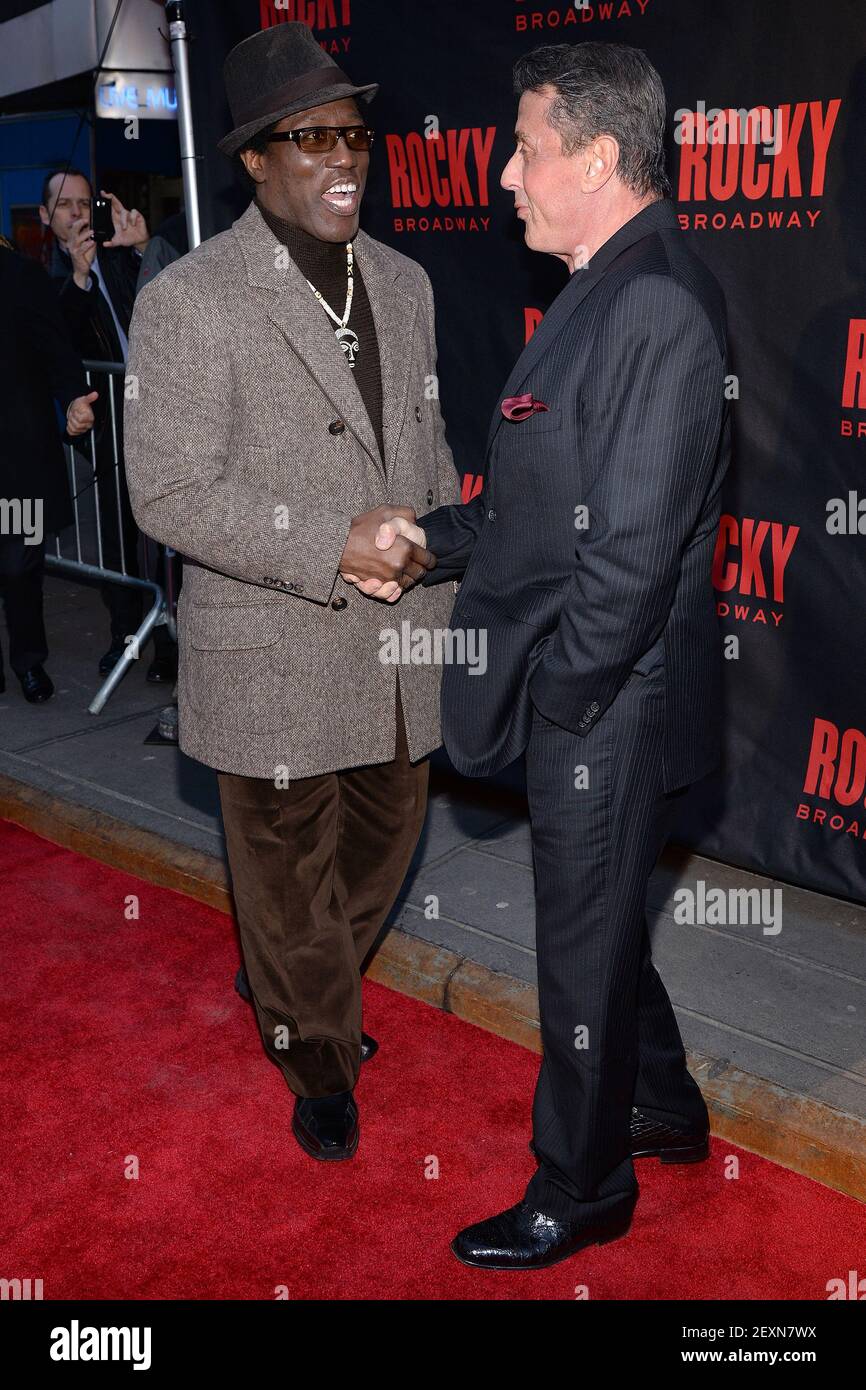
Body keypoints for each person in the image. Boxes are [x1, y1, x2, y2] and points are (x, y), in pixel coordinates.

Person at [373, 41, 731, 1270]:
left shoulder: (652, 307)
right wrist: (424, 540)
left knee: (576, 948)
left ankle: (578, 1187)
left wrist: (560, 704)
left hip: (608, 701)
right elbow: (537, 507)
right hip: (599, 695)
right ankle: (667, 1107)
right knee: (606, 922)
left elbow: (626, 563)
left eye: (526, 149)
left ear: (593, 154)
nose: (507, 176)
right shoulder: (603, 289)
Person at [123, 23, 459, 1162]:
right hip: (270, 646)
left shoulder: (407, 285)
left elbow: (423, 439)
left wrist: (441, 532)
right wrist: (329, 540)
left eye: (351, 135)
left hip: (401, 644)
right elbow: (165, 490)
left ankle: (286, 973)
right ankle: (316, 1053)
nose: (339, 158)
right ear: (254, 162)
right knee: (282, 872)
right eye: (305, 138)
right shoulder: (191, 300)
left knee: (375, 855)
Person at [40, 169, 177, 683]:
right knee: (119, 542)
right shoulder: (47, 277)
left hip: (159, 417)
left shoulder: (119, 257)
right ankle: (127, 635)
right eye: (66, 205)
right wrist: (77, 276)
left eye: (84, 203)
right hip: (107, 429)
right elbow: (58, 343)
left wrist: (142, 245)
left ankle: (168, 640)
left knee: (166, 533)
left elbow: (178, 298)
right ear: (46, 217)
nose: (78, 214)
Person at [0, 237, 97, 701]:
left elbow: (55, 347)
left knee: (21, 565)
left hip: (20, 460)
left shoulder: (21, 275)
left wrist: (75, 397)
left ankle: (28, 661)